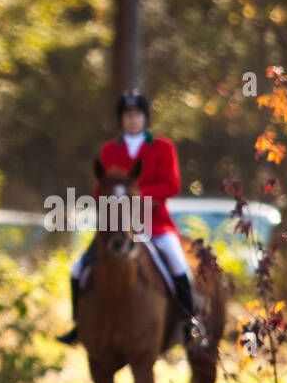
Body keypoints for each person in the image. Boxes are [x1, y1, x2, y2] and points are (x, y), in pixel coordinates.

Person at [59, 91, 203, 345]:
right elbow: (99, 189)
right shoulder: (109, 150)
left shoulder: (163, 147)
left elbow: (171, 185)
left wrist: (133, 196)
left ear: (145, 118)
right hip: (117, 228)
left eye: (137, 115)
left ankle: (190, 322)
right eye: (128, 115)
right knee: (77, 270)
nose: (133, 120)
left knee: (180, 267)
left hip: (156, 224)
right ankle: (79, 326)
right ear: (121, 119)